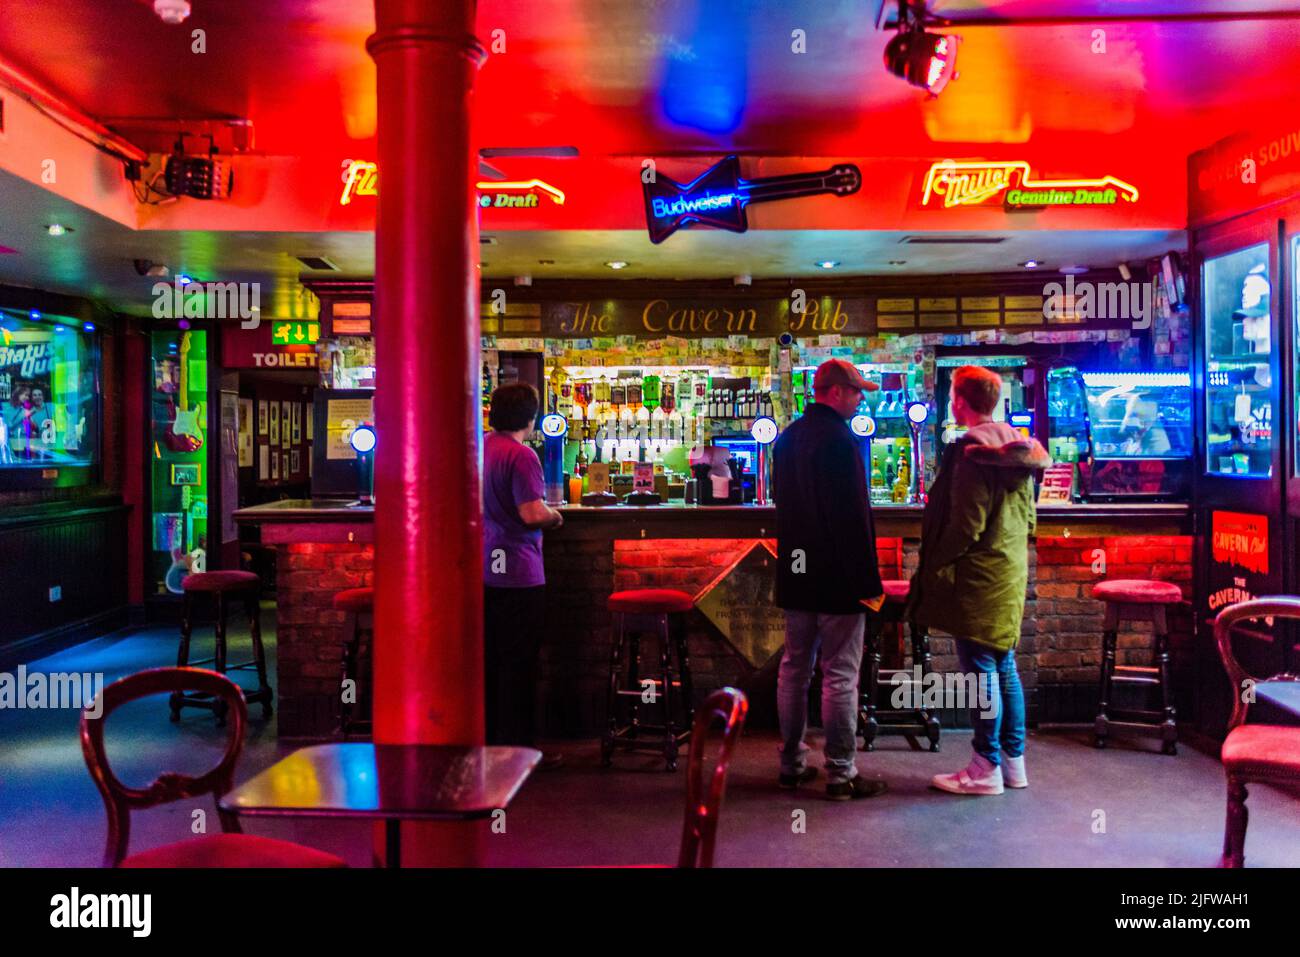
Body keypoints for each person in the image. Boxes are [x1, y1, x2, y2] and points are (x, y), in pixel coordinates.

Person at [908, 366, 1050, 795]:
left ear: (959, 402)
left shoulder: (972, 452)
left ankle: (984, 767)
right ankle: (1013, 764)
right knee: (1002, 663)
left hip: (977, 573)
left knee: (981, 667)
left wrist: (935, 563)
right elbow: (1028, 518)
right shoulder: (1019, 446)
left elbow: (966, 525)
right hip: (1007, 568)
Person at [773, 358, 887, 801]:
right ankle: (841, 774)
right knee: (840, 673)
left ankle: (791, 765)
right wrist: (867, 583)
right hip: (837, 575)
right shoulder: (843, 441)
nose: (861, 399)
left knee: (794, 670)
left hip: (797, 570)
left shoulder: (787, 440)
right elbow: (853, 521)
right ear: (836, 391)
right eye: (857, 391)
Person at [482, 383, 564, 766]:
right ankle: (517, 753)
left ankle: (488, 744)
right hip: (518, 571)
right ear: (531, 419)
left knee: (491, 660)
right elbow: (532, 513)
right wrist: (555, 515)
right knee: (519, 664)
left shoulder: (480, 448)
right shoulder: (522, 456)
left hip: (484, 568)